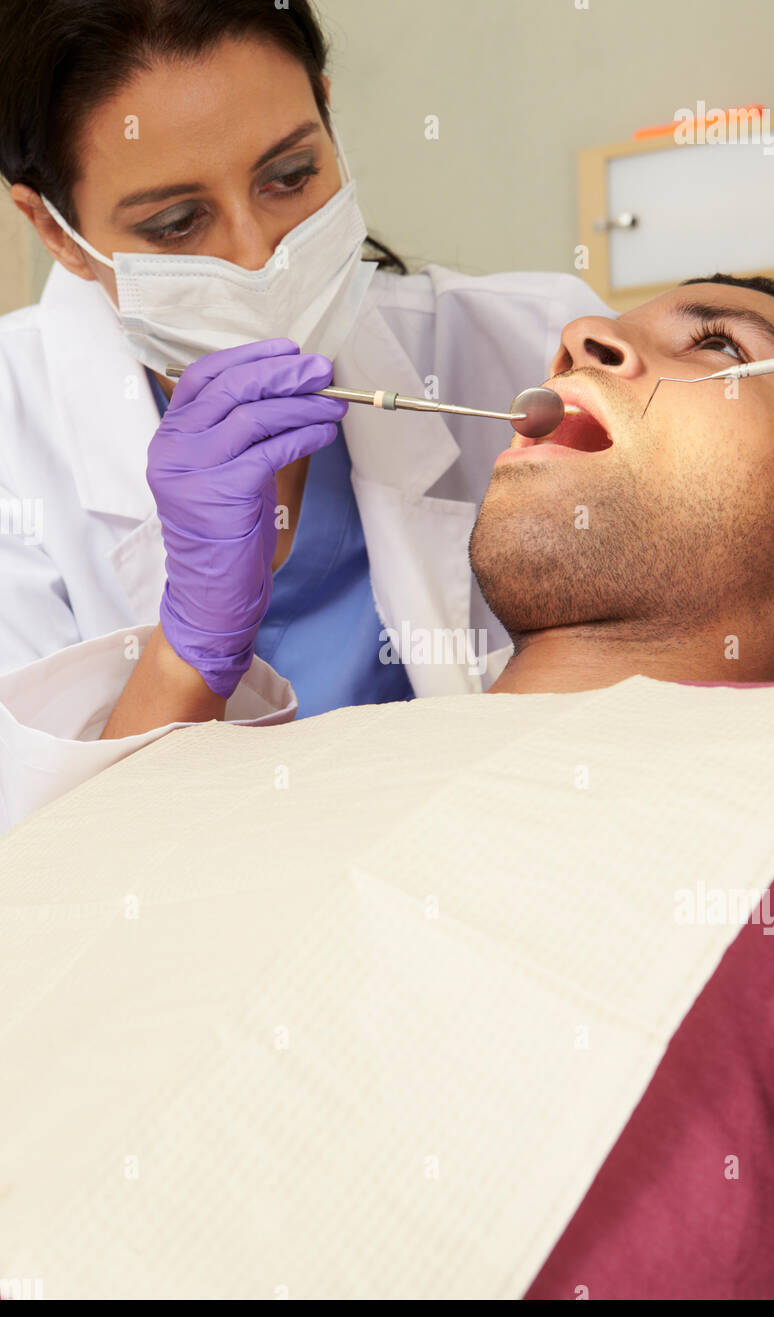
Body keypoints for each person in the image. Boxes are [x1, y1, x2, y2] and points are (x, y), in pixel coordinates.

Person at [3, 272, 774, 1299]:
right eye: (593, 332)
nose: (579, 337)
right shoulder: (263, 766)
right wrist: (186, 655)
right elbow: (84, 937)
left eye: (717, 344)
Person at [0, 0, 610, 829]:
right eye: (176, 224)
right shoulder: (14, 426)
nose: (259, 257)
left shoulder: (532, 349)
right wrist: (189, 651)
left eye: (289, 175)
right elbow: (46, 886)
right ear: (56, 231)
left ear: (328, 113)